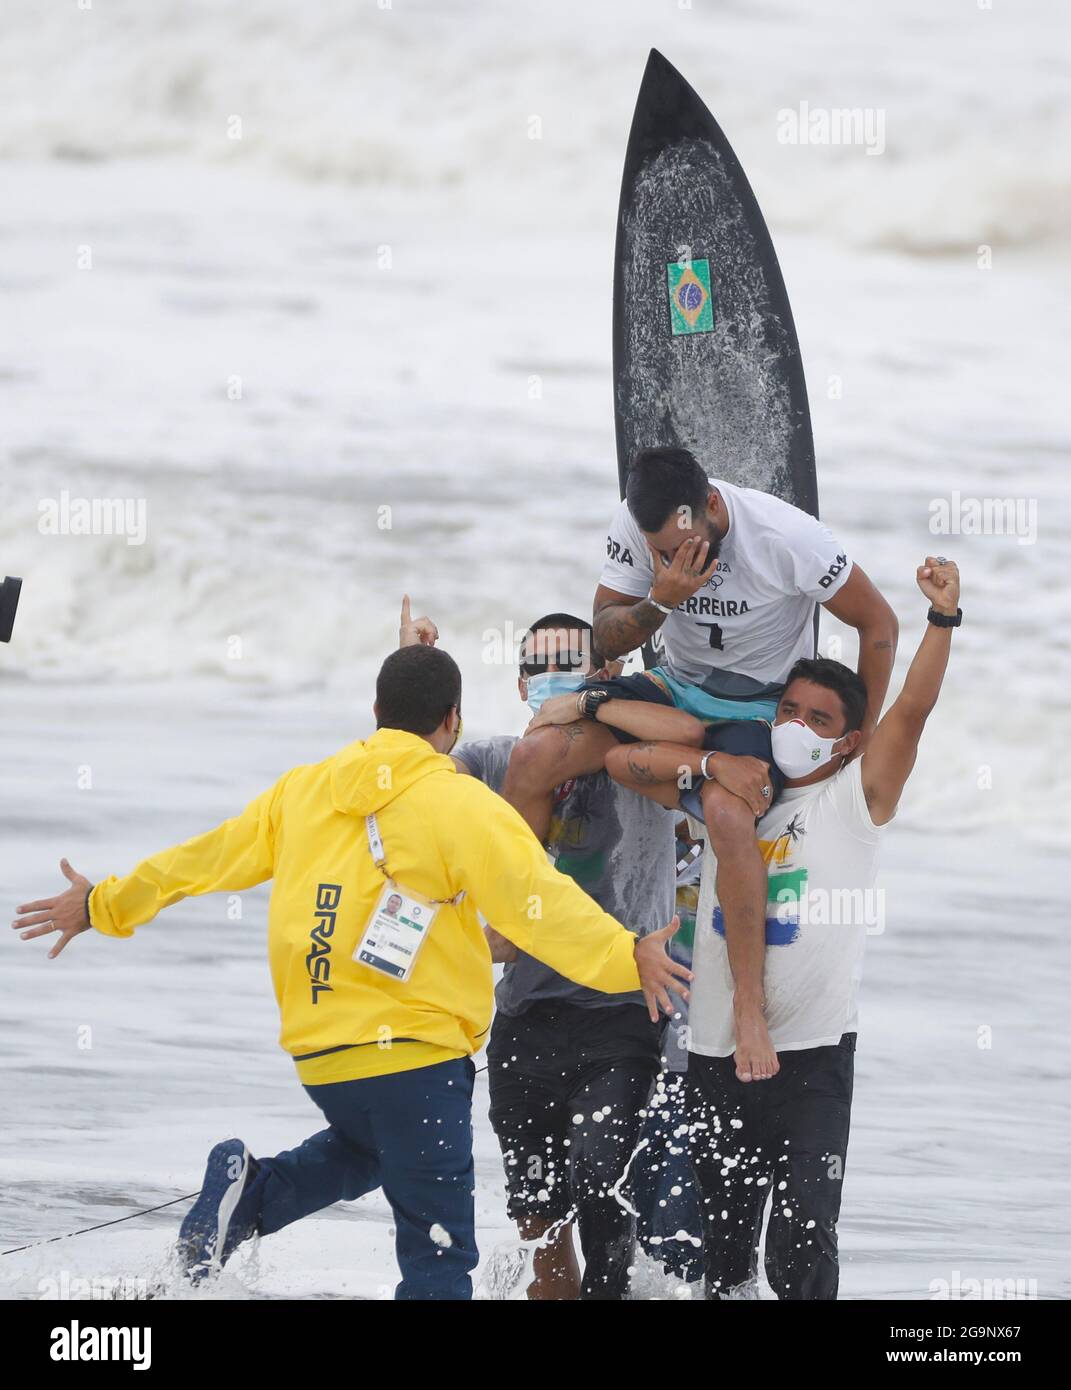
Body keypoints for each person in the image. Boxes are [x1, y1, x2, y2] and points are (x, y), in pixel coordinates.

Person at [11, 643, 690, 1301]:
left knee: (365, 1151)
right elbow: (538, 905)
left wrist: (102, 903)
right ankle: (254, 1197)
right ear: (452, 720)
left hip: (319, 1049)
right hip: (414, 1053)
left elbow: (203, 859)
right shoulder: (461, 805)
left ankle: (249, 1194)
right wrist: (625, 955)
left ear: (374, 708)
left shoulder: (303, 791)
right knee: (439, 1260)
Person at [610, 557, 962, 1299]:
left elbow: (911, 712)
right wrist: (708, 746)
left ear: (846, 743)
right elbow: (622, 757)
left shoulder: (851, 800)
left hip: (809, 1061)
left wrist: (940, 619)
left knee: (802, 1247)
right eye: (788, 712)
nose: (796, 726)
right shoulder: (730, 792)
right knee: (726, 1263)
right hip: (712, 1054)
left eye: (818, 720)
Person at [507, 447, 899, 1085]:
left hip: (758, 705)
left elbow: (878, 623)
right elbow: (602, 637)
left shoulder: (786, 537)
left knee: (725, 809)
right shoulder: (635, 527)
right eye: (661, 551)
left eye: (685, 548)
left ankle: (749, 1005)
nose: (674, 559)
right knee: (535, 752)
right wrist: (658, 601)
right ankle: (514, 923)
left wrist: (861, 741)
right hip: (672, 687)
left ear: (713, 507)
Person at [440, 610, 690, 1300]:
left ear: (601, 677)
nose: (552, 677)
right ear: (522, 685)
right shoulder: (496, 761)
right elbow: (418, 778)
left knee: (602, 1177)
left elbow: (691, 730)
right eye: (539, 668)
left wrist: (599, 703)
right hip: (524, 1015)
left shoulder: (630, 757)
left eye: (571, 665)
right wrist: (422, 692)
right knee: (541, 1224)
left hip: (620, 1009)